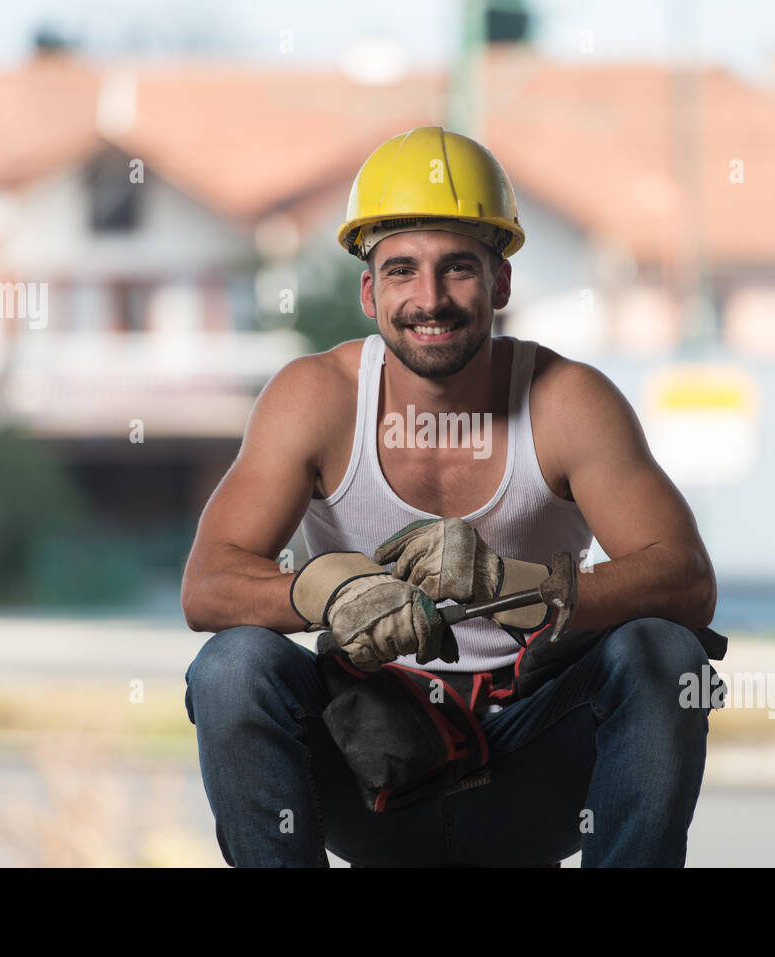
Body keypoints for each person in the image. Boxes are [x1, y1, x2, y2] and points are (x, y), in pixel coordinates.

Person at [181, 125, 722, 867]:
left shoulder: (569, 401)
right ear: (370, 291)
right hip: (371, 755)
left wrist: (520, 586)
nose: (429, 298)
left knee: (665, 650)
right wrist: (324, 591)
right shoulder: (315, 398)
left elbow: (688, 581)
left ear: (500, 282)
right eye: (401, 270)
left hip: (536, 766)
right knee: (232, 667)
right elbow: (206, 585)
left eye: (457, 268)